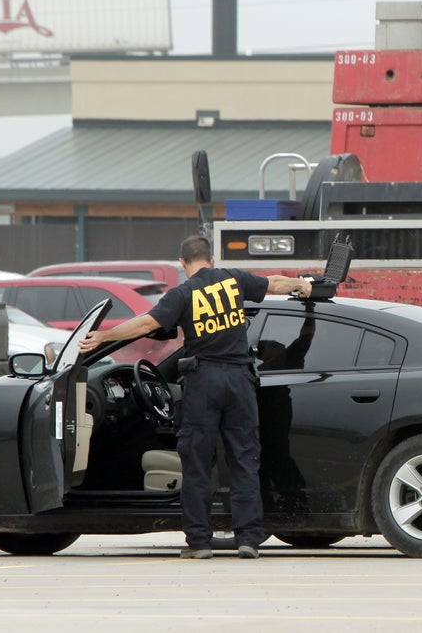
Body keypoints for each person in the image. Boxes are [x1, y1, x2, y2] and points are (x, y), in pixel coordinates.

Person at [78, 235, 312, 559]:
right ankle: (248, 539)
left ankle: (200, 543)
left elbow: (148, 323)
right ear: (212, 260)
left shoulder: (183, 293)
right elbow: (272, 284)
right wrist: (301, 284)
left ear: (183, 263)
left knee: (198, 464)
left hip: (204, 381)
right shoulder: (233, 279)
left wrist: (104, 335)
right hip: (240, 379)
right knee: (245, 459)